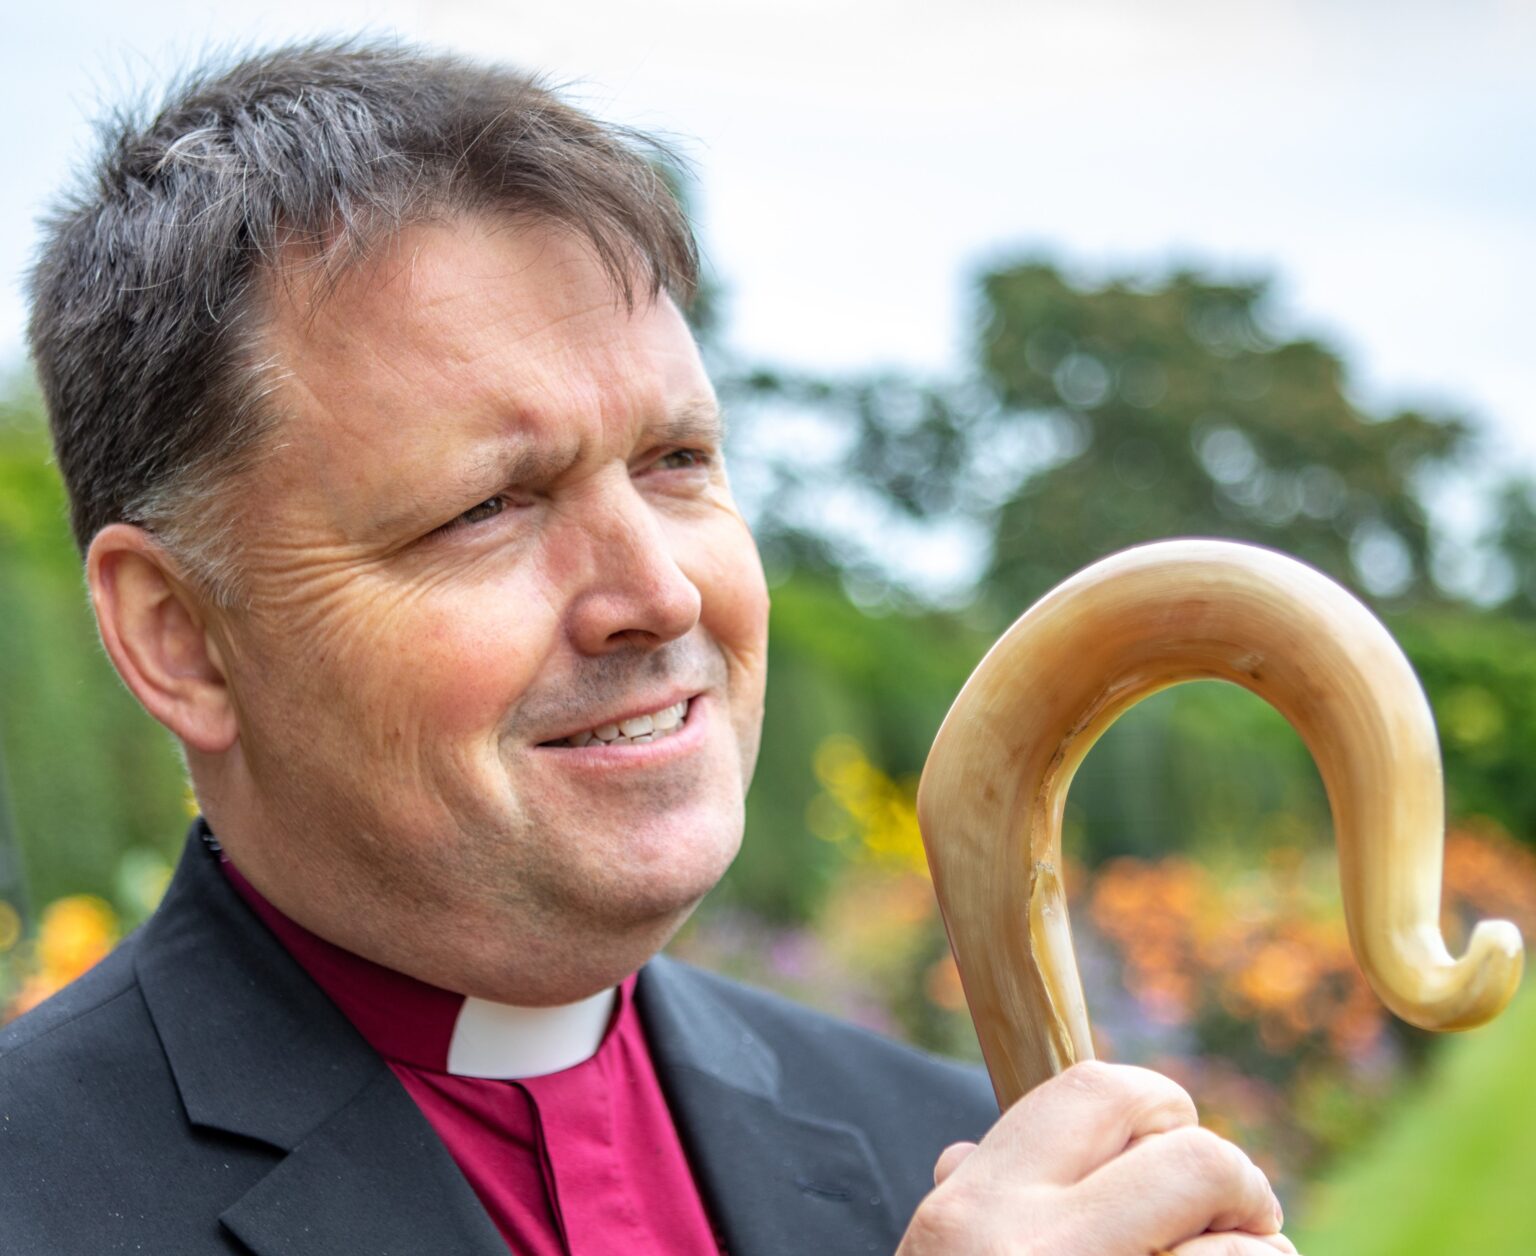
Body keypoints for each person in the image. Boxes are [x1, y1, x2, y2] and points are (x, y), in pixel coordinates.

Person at [1, 41, 1296, 1255]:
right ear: (183, 643)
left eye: (678, 461)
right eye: (487, 506)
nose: (662, 593)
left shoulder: (937, 1142)